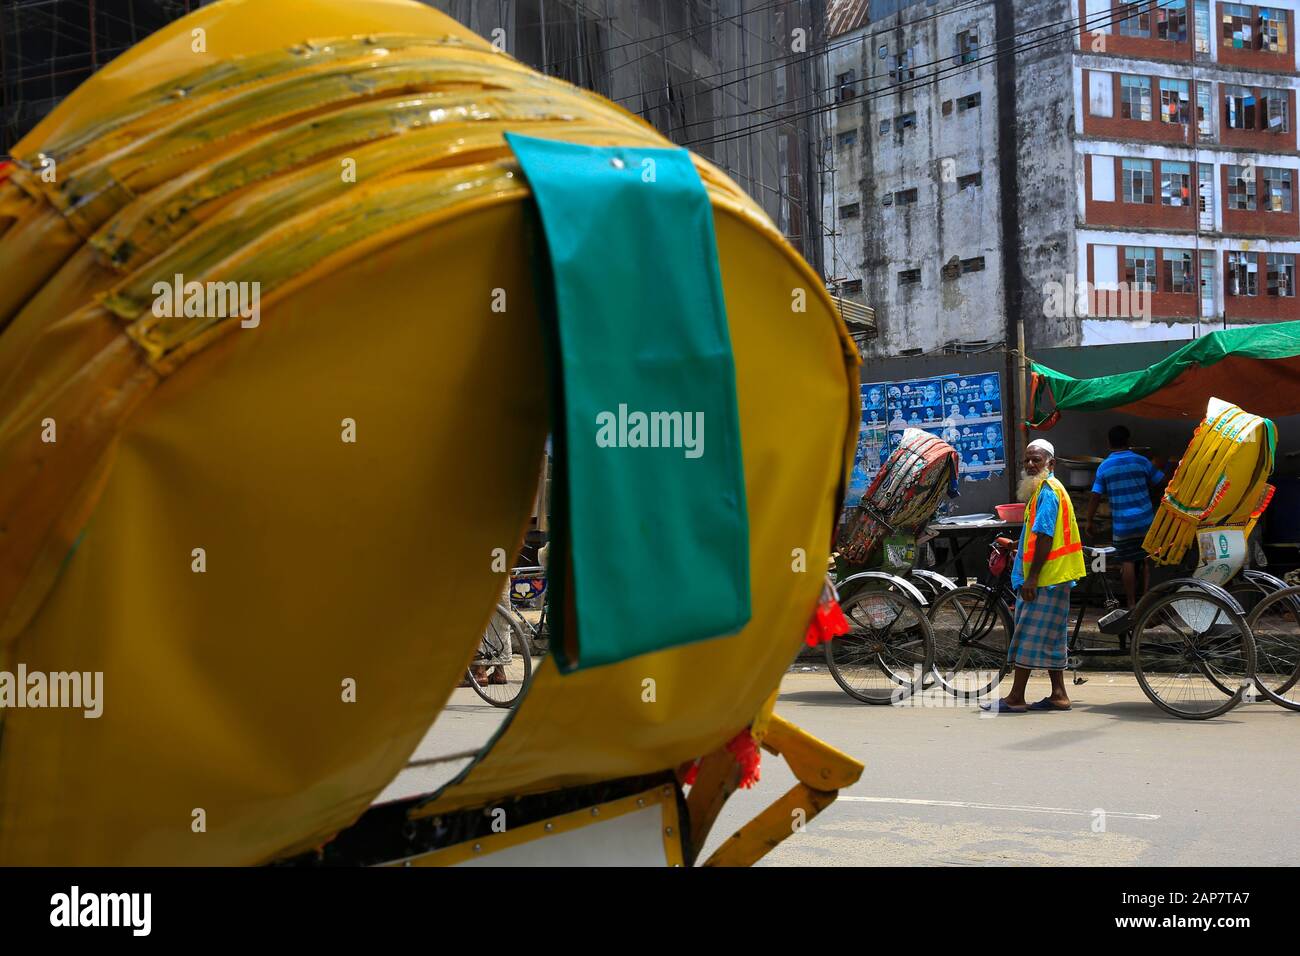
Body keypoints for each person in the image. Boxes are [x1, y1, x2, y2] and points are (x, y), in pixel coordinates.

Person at [983, 438, 1086, 713]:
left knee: (1026, 633)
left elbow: (1045, 536)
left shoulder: (1048, 492)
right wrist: (1018, 546)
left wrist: (1032, 579)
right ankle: (1059, 694)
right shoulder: (1044, 490)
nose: (1030, 464)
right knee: (1052, 636)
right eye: (1027, 460)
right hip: (1055, 577)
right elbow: (1036, 535)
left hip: (1045, 579)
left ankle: (1016, 697)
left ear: (1050, 463)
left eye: (1036, 460)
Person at [1085, 425, 1165, 608]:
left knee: (1127, 561)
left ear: (1108, 442)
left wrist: (1089, 520)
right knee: (1147, 561)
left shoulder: (1104, 466)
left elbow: (1095, 496)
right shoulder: (1141, 461)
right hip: (1145, 521)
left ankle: (1131, 604)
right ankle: (1147, 603)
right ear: (1128, 441)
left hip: (1122, 525)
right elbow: (1161, 481)